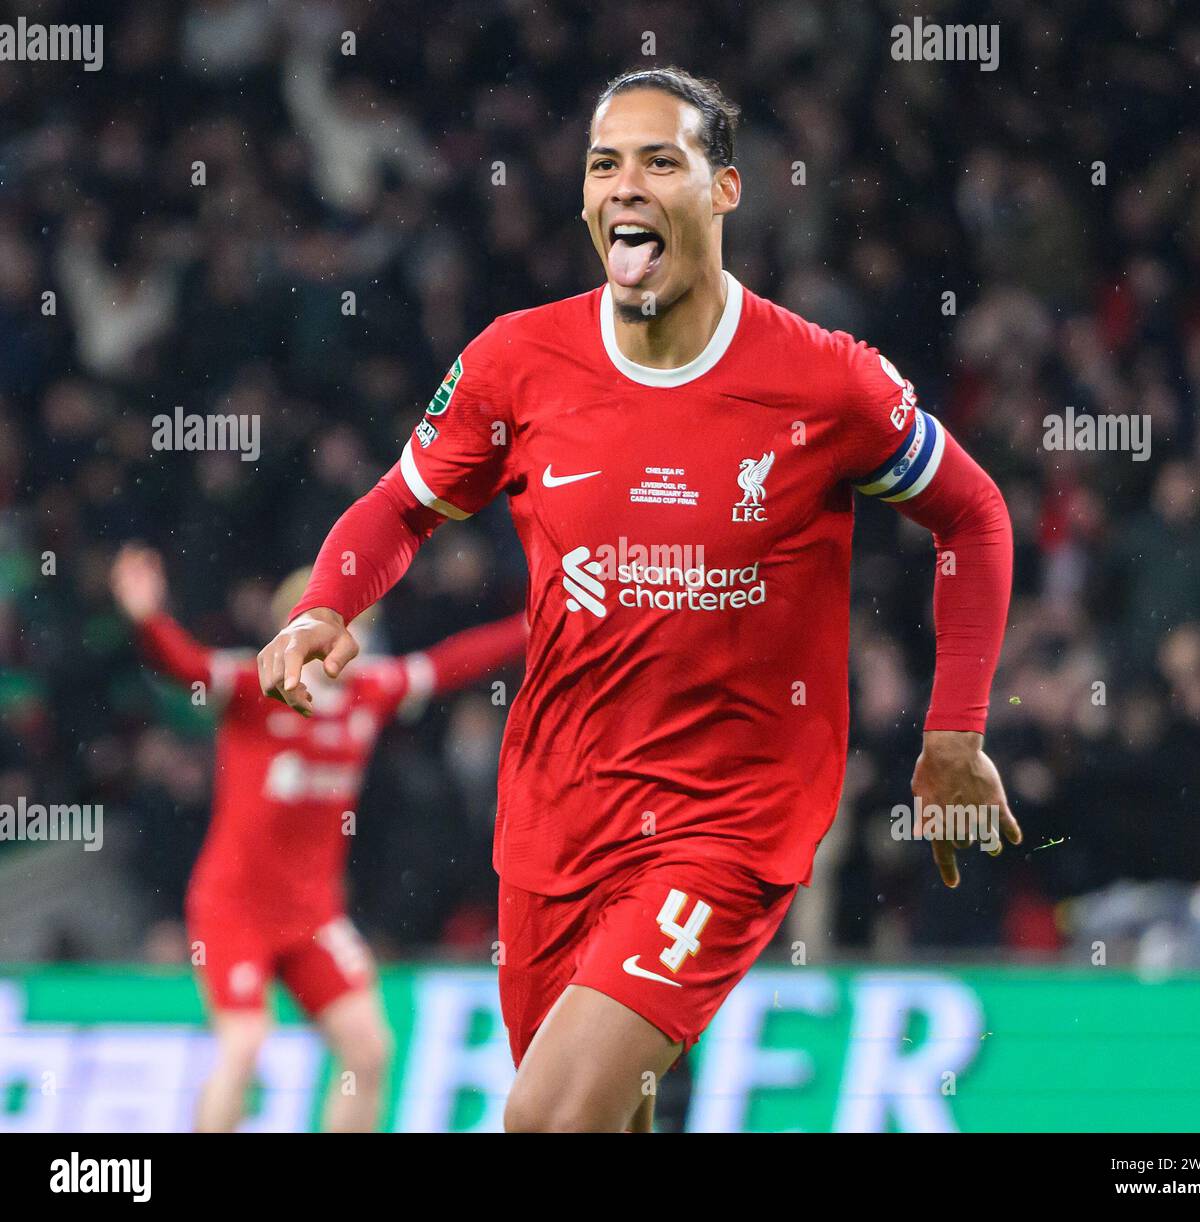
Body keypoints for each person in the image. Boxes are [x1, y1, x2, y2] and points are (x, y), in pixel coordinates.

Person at [257, 66, 1020, 1133]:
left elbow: (974, 516)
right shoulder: (517, 362)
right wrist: (325, 607)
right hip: (555, 810)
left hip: (730, 815)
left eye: (661, 161)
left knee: (545, 1120)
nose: (626, 185)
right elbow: (399, 509)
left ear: (724, 191)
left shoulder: (823, 383)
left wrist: (953, 731)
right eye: (604, 163)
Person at [110, 545, 526, 1131]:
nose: (354, 638)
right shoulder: (256, 687)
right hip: (236, 906)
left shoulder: (369, 691)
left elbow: (455, 662)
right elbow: (184, 667)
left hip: (312, 915)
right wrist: (146, 617)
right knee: (245, 1044)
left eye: (360, 624)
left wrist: (534, 623)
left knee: (369, 1051)